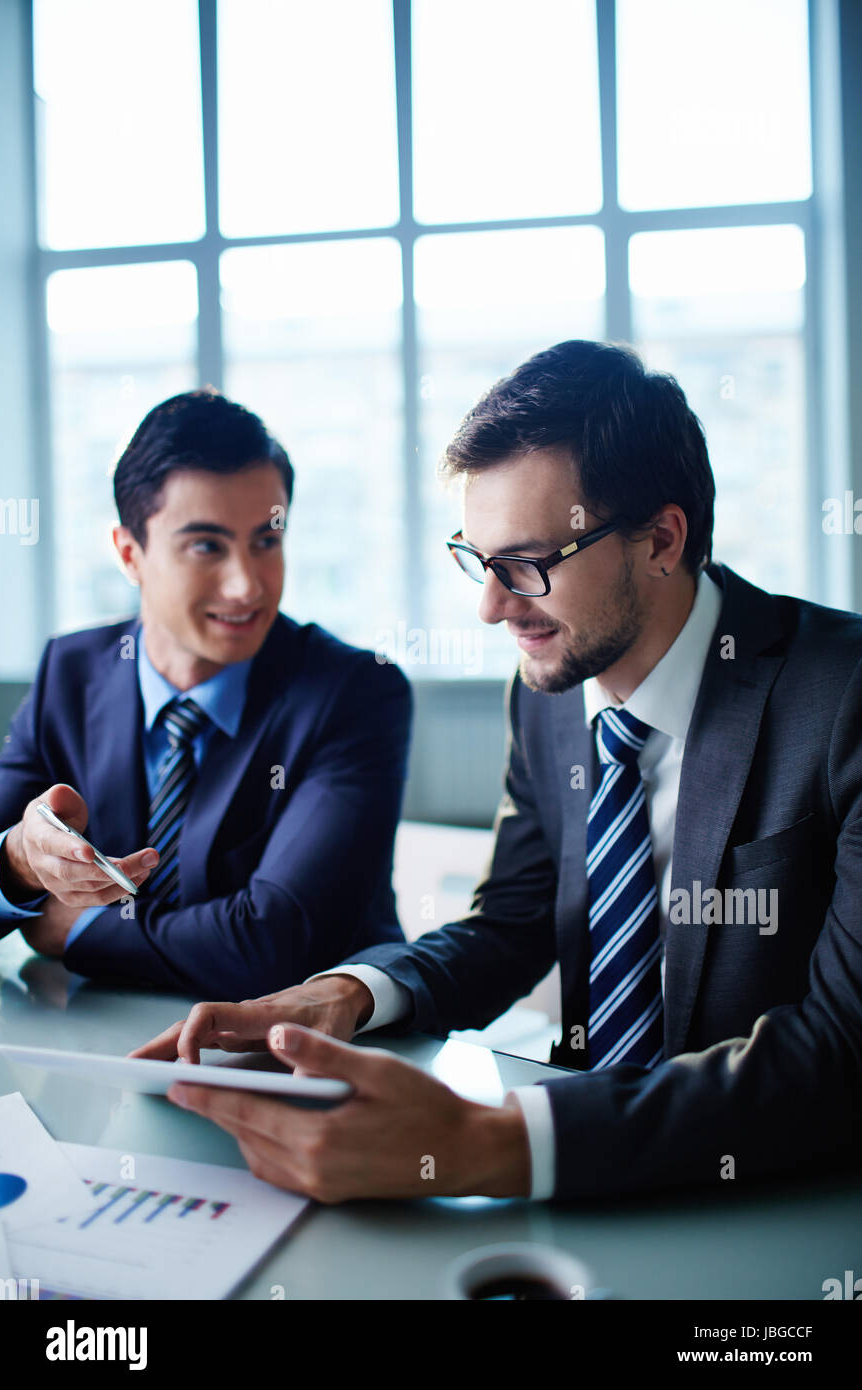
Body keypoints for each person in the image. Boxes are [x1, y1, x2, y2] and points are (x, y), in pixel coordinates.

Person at [134, 341, 862, 1203]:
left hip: (780, 1206)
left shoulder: (841, 697)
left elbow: (839, 1054)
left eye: (527, 565)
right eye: (478, 561)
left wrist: (487, 1144)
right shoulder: (551, 693)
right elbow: (515, 922)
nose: (491, 606)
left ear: (662, 539)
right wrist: (349, 994)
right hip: (584, 1203)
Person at [0, 389, 411, 999]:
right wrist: (17, 864)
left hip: (305, 1063)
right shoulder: (72, 670)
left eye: (266, 541)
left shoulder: (354, 692)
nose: (247, 585)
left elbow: (275, 944)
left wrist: (77, 929)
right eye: (206, 546)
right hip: (98, 1050)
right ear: (129, 554)